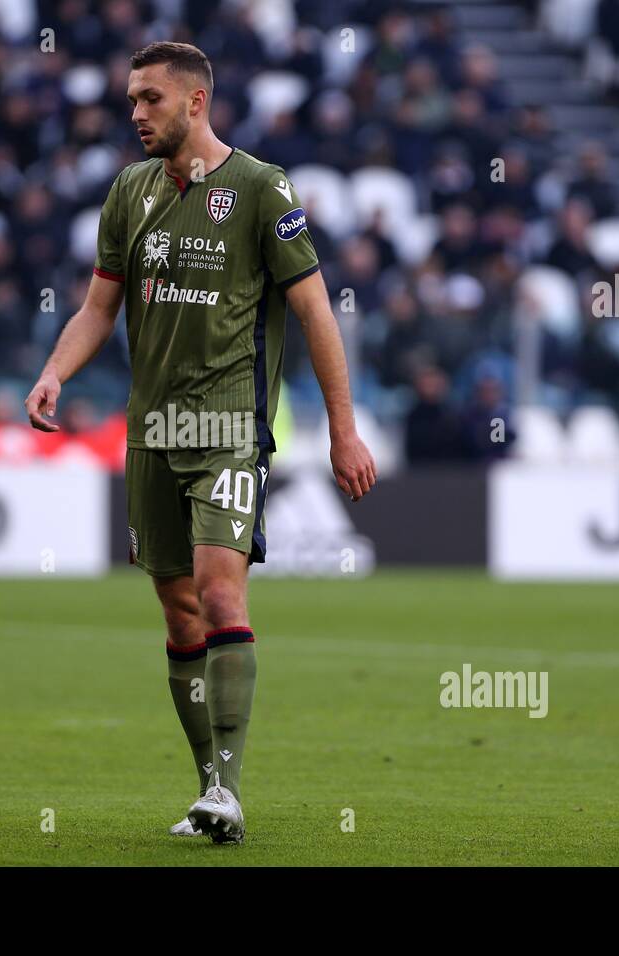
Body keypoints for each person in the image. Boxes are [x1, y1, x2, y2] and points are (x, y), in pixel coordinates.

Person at [24, 42, 376, 844]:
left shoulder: (261, 188)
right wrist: (54, 374)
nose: (136, 114)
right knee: (180, 616)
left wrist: (342, 430)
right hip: (149, 433)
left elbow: (318, 314)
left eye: (150, 99)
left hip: (226, 428)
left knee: (221, 595)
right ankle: (209, 789)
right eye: (131, 101)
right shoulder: (128, 193)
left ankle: (229, 790)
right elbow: (98, 308)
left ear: (195, 102)